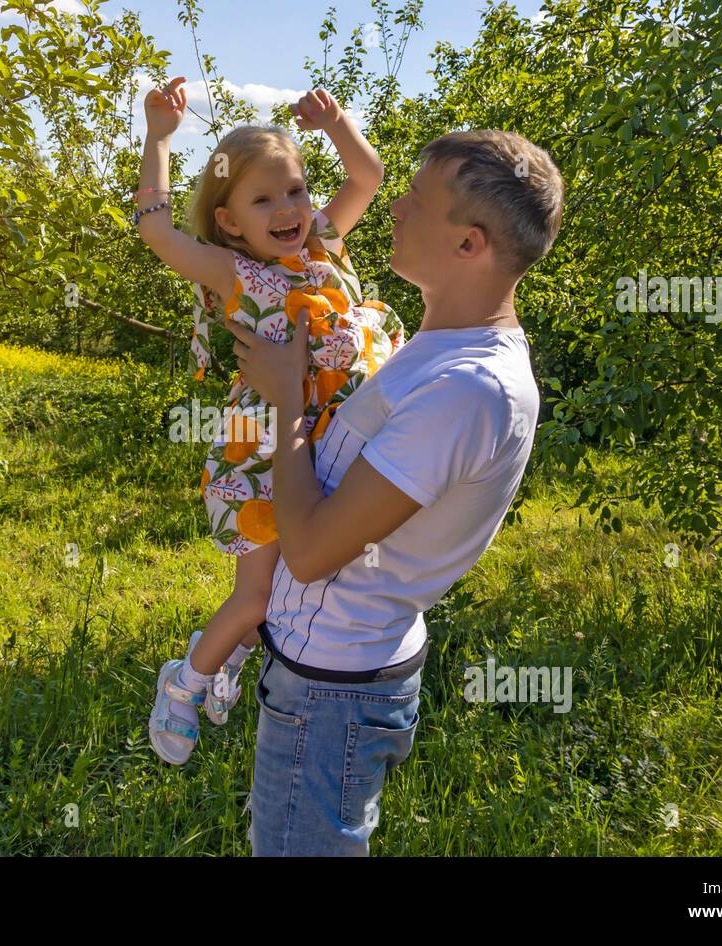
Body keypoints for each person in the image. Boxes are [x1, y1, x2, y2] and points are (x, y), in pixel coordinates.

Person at [224, 129, 565, 855]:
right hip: (331, 670)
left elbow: (313, 551)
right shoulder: (432, 348)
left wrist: (287, 402)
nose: (396, 210)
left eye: (416, 200)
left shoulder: (469, 390)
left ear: (470, 244)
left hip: (332, 689)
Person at [135, 77, 406, 765]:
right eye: (264, 199)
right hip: (258, 457)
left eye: (295, 190)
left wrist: (337, 121)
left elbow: (368, 174)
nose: (288, 208)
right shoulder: (234, 272)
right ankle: (185, 682)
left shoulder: (322, 243)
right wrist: (159, 138)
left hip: (327, 451)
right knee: (257, 597)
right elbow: (155, 230)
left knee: (292, 591)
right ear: (229, 221)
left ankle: (218, 660)